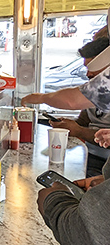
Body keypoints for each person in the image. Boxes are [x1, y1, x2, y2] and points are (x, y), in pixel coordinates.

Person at [45, 36, 110, 177]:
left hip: (104, 163)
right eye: (86, 68)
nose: (88, 74)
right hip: (86, 153)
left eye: (93, 68)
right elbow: (83, 121)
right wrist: (67, 125)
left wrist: (78, 131)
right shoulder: (93, 92)